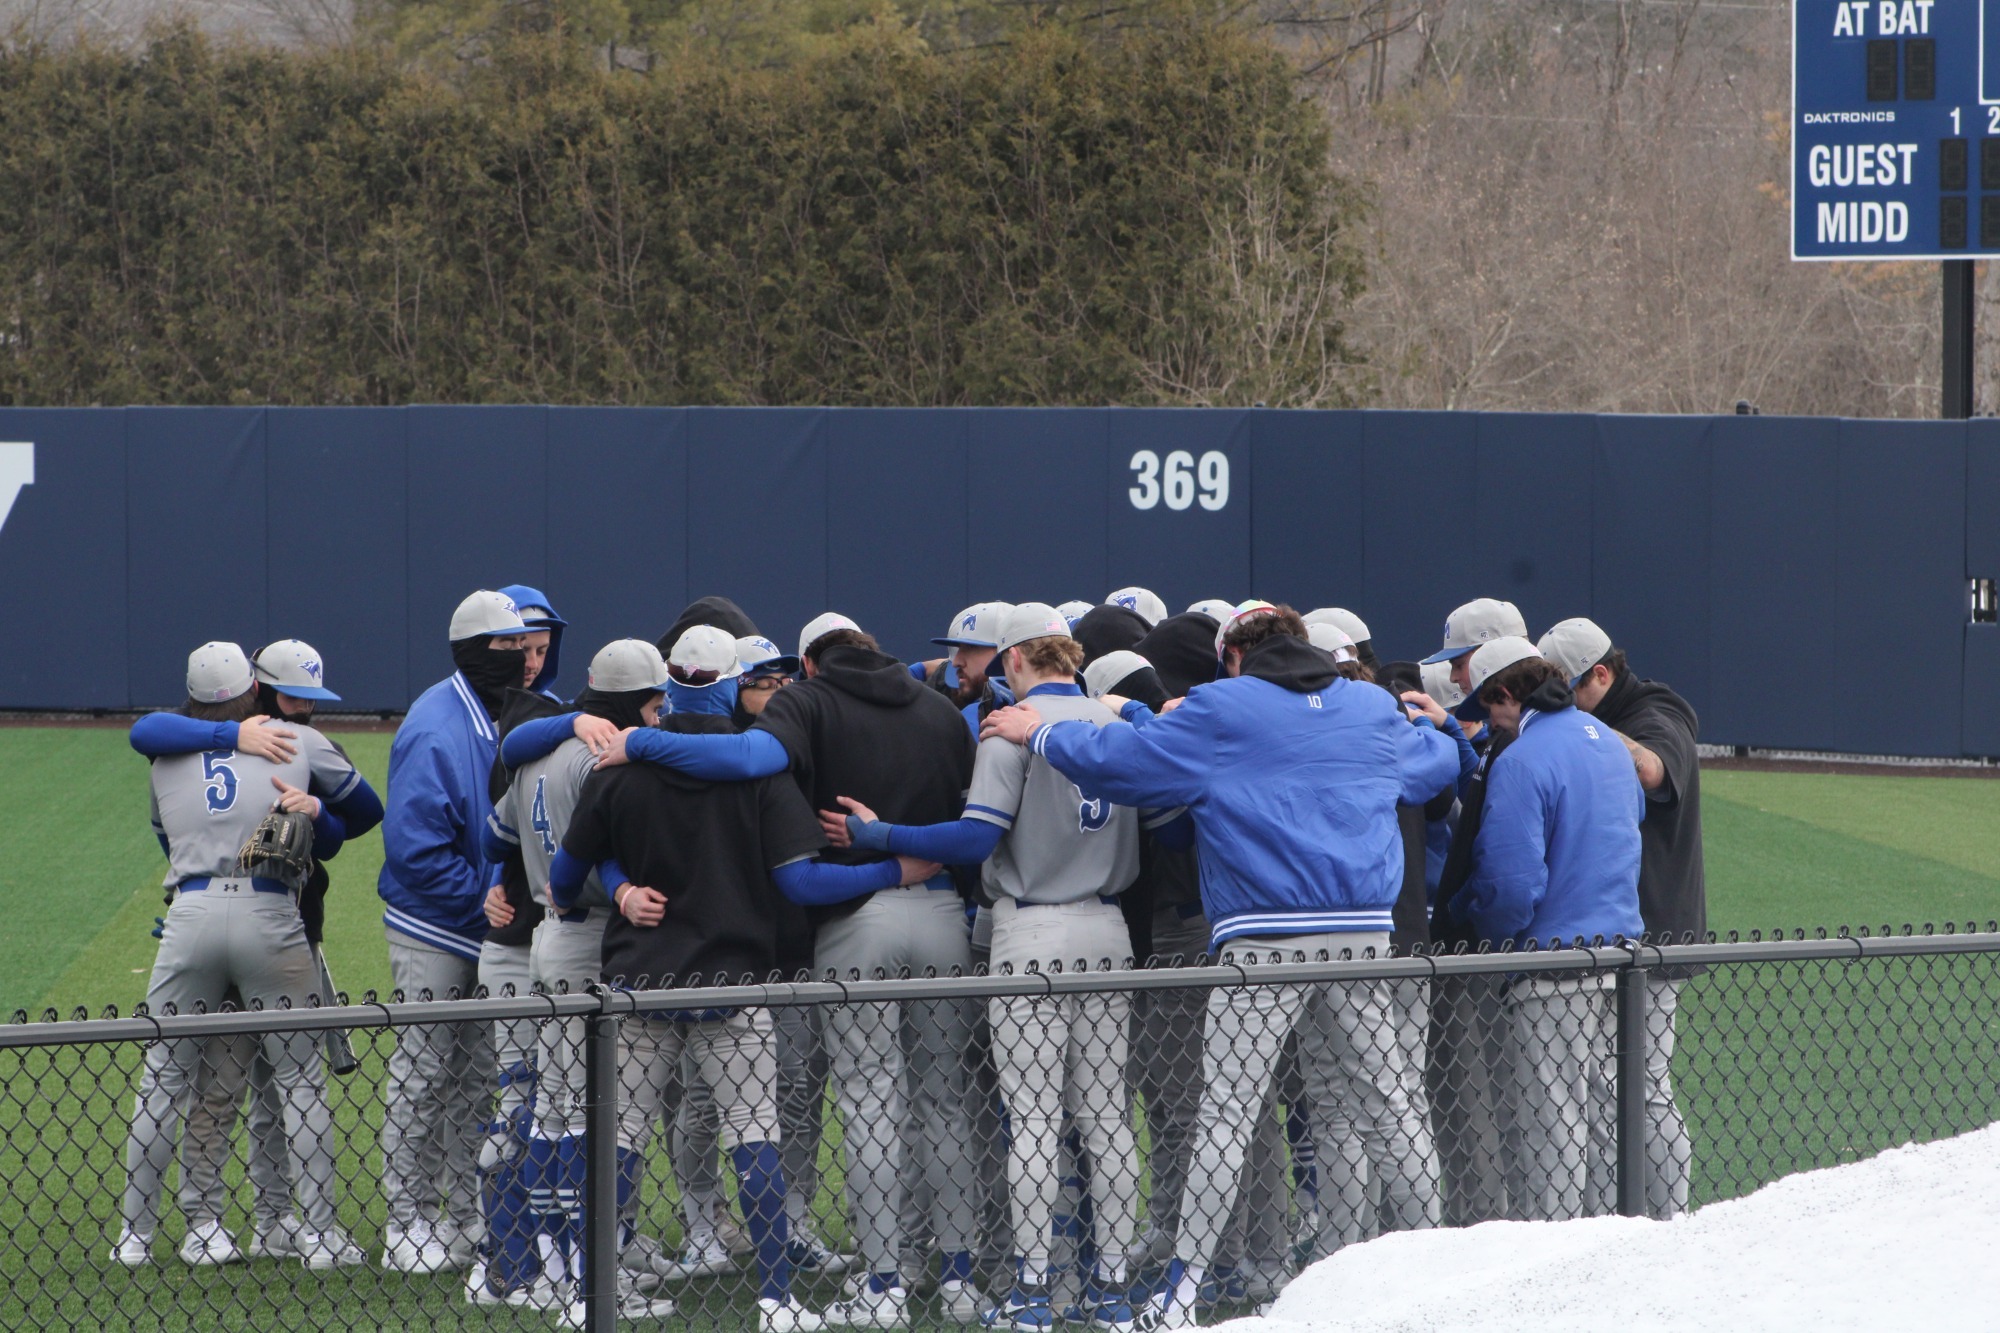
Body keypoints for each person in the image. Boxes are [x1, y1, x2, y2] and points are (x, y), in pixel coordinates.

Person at [985, 605, 1457, 1328]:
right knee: (1391, 1103)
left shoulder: (1224, 702)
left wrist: (1041, 729)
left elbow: (1126, 766)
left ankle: (1180, 1294)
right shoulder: (1366, 704)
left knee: (1227, 1117)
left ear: (1233, 655)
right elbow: (1435, 767)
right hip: (1364, 934)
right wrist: (1444, 726)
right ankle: (1440, 1272)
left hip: (1260, 941)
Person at [594, 613, 986, 1326]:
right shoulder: (940, 709)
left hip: (854, 917)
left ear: (807, 664)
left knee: (870, 1097)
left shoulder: (807, 700)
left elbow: (742, 761)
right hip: (941, 912)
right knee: (946, 1098)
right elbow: (972, 815)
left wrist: (640, 740)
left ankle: (886, 1283)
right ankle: (958, 1275)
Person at [829, 605, 1179, 1331]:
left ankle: (1030, 1291)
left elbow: (972, 836)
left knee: (1035, 1120)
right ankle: (1111, 1287)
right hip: (1108, 925)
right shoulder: (1116, 725)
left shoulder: (1009, 726)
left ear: (1015, 658)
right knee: (1108, 1116)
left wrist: (877, 833)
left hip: (1033, 928)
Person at [115, 642, 373, 1272]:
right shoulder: (295, 740)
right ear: (252, 689)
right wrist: (312, 811)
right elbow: (368, 812)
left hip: (192, 913)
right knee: (299, 1082)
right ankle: (315, 1236)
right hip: (270, 914)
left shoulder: (164, 755)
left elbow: (164, 834)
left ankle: (137, 1236)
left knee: (165, 1081)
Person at [1445, 637, 1643, 1221]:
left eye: (1490, 709)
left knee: (1552, 1131)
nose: (1491, 723)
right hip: (1623, 961)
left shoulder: (1523, 759)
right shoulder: (1607, 742)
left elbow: (1510, 885)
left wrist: (1473, 923)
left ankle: (1553, 1274)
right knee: (1611, 1123)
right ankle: (1614, 1256)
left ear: (1506, 694)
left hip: (1552, 965)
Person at [376, 589, 532, 1274]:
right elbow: (413, 849)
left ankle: (467, 1213)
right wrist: (485, 896)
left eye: (524, 646)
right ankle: (405, 1218)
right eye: (504, 648)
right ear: (472, 651)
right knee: (422, 1072)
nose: (520, 658)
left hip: (484, 927)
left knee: (473, 1075)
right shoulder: (436, 724)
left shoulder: (504, 712)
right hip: (433, 926)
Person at [1538, 616, 1702, 1218]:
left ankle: (1670, 1222)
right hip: (1622, 929)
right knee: (1608, 1091)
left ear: (1601, 675)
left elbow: (1653, 769)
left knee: (1642, 1089)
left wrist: (1579, 732)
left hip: (1654, 934)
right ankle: (1625, 1221)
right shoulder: (1614, 713)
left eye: (1568, 687)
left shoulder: (1655, 712)